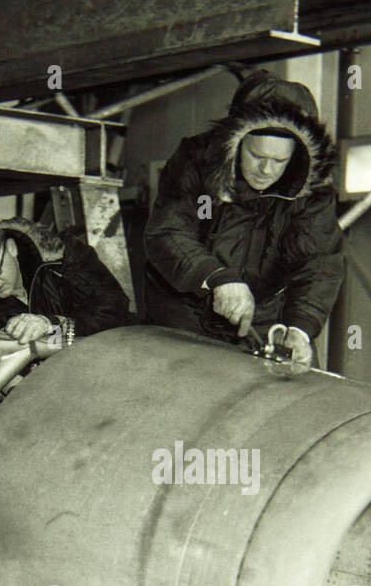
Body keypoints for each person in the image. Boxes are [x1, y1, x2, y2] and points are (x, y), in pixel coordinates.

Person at [143, 69, 346, 370]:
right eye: (256, 155)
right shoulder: (196, 163)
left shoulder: (312, 194)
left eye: (279, 161)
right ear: (236, 145)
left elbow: (318, 264)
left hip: (263, 319)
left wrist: (301, 327)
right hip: (184, 310)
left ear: (297, 156)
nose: (266, 170)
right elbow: (168, 232)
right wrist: (216, 278)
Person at [0, 213, 130, 374]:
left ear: (11, 248)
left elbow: (114, 309)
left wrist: (53, 324)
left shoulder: (66, 261)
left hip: (121, 362)